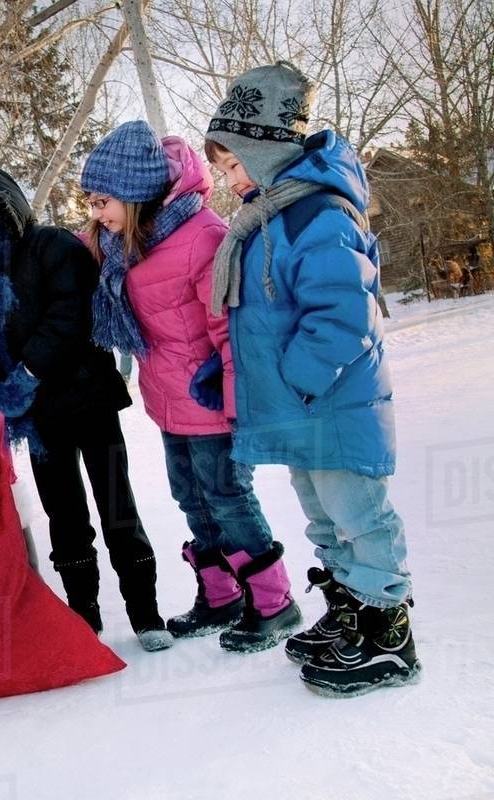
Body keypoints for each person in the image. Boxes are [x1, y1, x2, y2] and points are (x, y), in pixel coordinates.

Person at [204, 61, 419, 696]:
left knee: (360, 516)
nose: (229, 180)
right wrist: (237, 375)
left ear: (266, 149)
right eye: (222, 169)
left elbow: (343, 315)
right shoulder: (270, 217)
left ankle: (389, 638)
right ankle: (350, 613)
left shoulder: (318, 214)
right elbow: (262, 319)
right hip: (302, 408)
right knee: (325, 519)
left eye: (234, 164)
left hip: (331, 402)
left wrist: (297, 380)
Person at [79, 121, 300, 653]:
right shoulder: (126, 243)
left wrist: (231, 394)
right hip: (167, 398)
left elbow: (231, 325)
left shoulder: (202, 234)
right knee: (191, 496)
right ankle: (222, 596)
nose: (96, 212)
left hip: (208, 397)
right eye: (90, 202)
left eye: (103, 201)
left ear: (134, 193)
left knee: (227, 496)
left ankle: (274, 603)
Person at [0, 166, 173, 651]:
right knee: (63, 515)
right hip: (41, 419)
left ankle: (146, 614)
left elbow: (69, 315)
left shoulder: (54, 246)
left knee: (117, 506)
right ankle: (83, 615)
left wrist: (26, 373)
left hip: (89, 402)